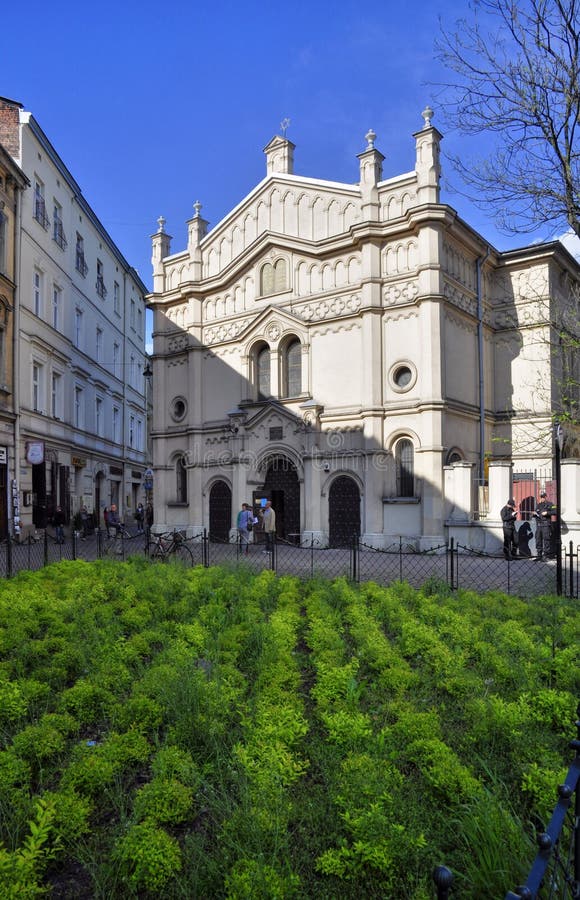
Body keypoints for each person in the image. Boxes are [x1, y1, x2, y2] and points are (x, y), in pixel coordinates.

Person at [534, 491, 553, 560]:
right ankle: (539, 555)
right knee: (538, 540)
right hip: (539, 525)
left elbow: (555, 511)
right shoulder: (538, 505)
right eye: (541, 497)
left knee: (546, 540)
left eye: (543, 497)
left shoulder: (550, 504)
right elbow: (536, 512)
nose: (542, 498)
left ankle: (546, 555)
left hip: (546, 525)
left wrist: (547, 513)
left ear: (545, 497)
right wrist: (534, 514)